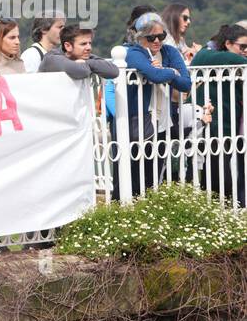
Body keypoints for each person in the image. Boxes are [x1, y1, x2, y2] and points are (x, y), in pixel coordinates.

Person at [123, 12, 192, 194]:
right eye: (151, 37)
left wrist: (165, 71)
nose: (156, 41)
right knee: (136, 174)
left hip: (164, 121)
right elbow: (154, 75)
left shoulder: (169, 51)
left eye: (161, 36)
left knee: (156, 175)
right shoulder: (134, 53)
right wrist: (172, 73)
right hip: (141, 120)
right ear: (140, 38)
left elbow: (186, 84)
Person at [189, 24, 247, 205]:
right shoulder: (210, 54)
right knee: (216, 170)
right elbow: (200, 58)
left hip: (232, 124)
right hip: (213, 125)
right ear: (228, 43)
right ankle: (218, 206)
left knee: (227, 170)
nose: (245, 51)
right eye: (242, 47)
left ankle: (226, 205)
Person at [38, 24, 119, 80]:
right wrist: (87, 64)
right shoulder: (52, 58)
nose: (89, 48)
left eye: (89, 43)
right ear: (68, 46)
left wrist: (85, 62)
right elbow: (82, 71)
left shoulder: (83, 57)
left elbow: (114, 71)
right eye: (83, 44)